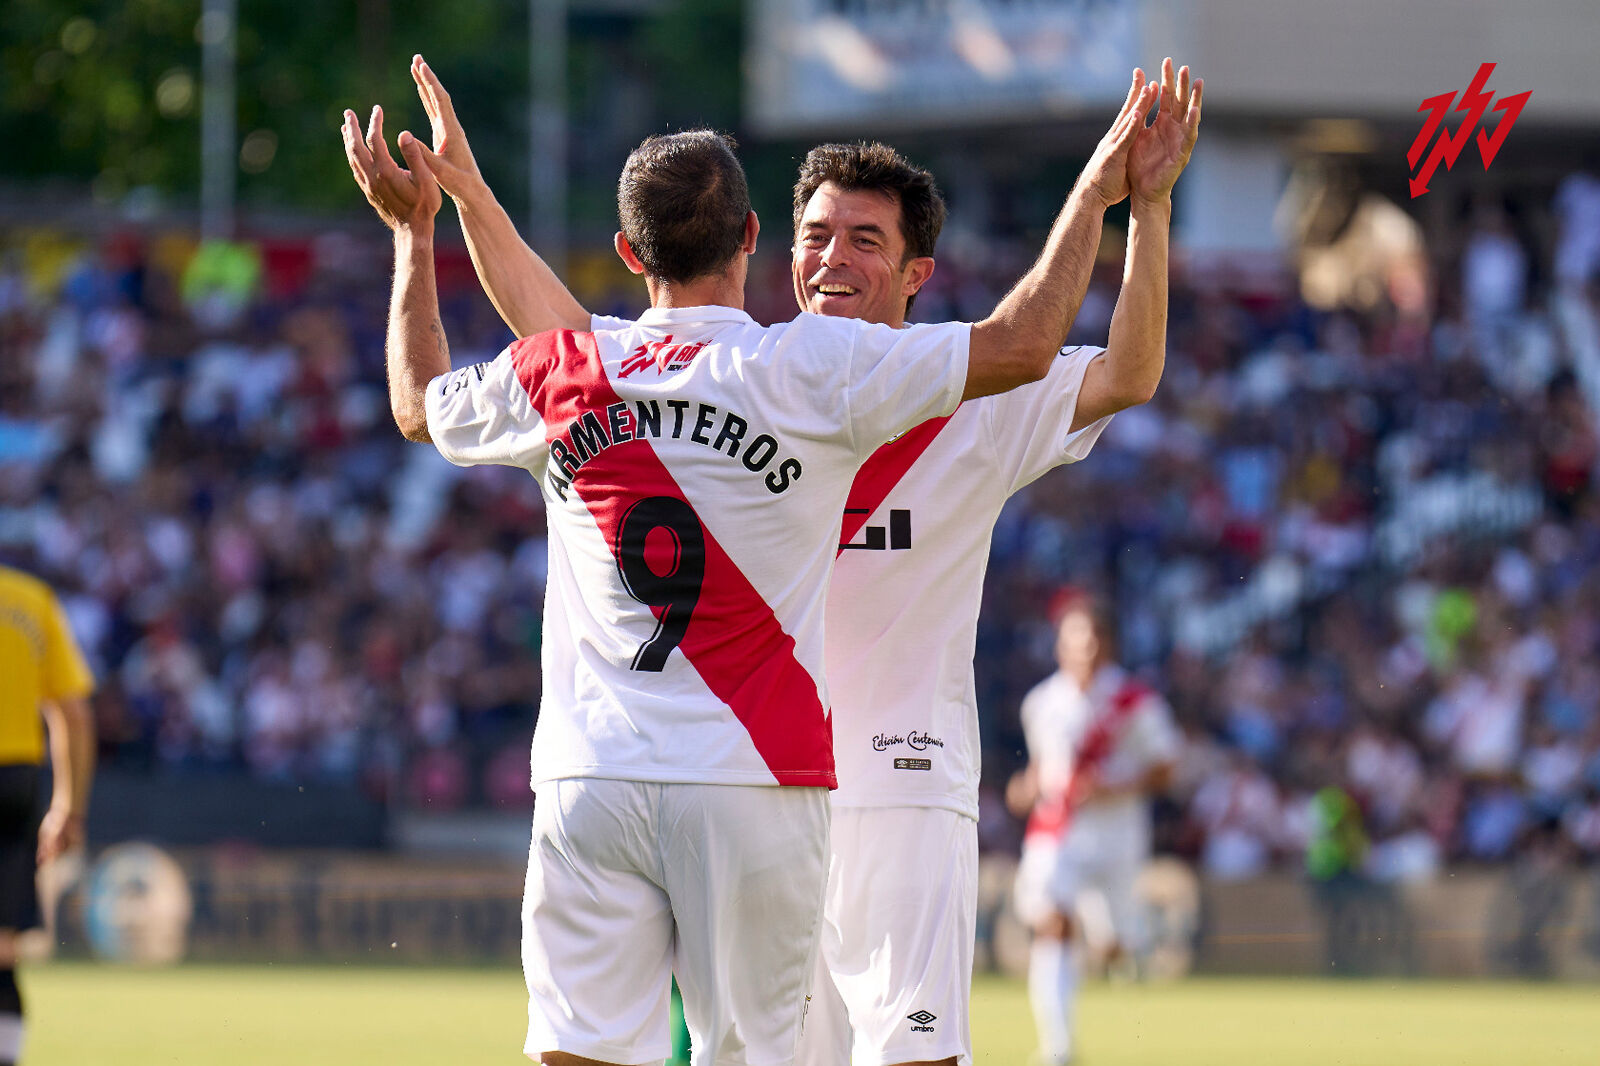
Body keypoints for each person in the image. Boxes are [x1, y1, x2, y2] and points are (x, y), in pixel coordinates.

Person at [376, 52, 1201, 1066]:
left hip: (892, 777)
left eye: (866, 240)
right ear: (767, 243)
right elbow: (575, 344)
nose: (834, 260)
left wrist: (1145, 211)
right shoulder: (782, 369)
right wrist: (462, 199)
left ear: (915, 274)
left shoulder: (895, 386)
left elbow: (1120, 368)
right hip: (768, 777)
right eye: (817, 235)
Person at [1008, 593, 1181, 1066]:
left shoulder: (1136, 701)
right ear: (1060, 645)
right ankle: (1057, 1048)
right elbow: (1043, 771)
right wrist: (1025, 788)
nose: (1083, 649)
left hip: (1117, 838)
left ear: (1109, 645)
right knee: (1052, 921)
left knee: (1117, 948)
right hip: (1058, 832)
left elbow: (1167, 769)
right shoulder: (1041, 702)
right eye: (1074, 640)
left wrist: (1115, 786)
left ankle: (1114, 945)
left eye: (1093, 640)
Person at [0, 564, 96, 1066]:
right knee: (2, 948)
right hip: (15, 778)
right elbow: (74, 712)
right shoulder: (30, 600)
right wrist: (68, 807)